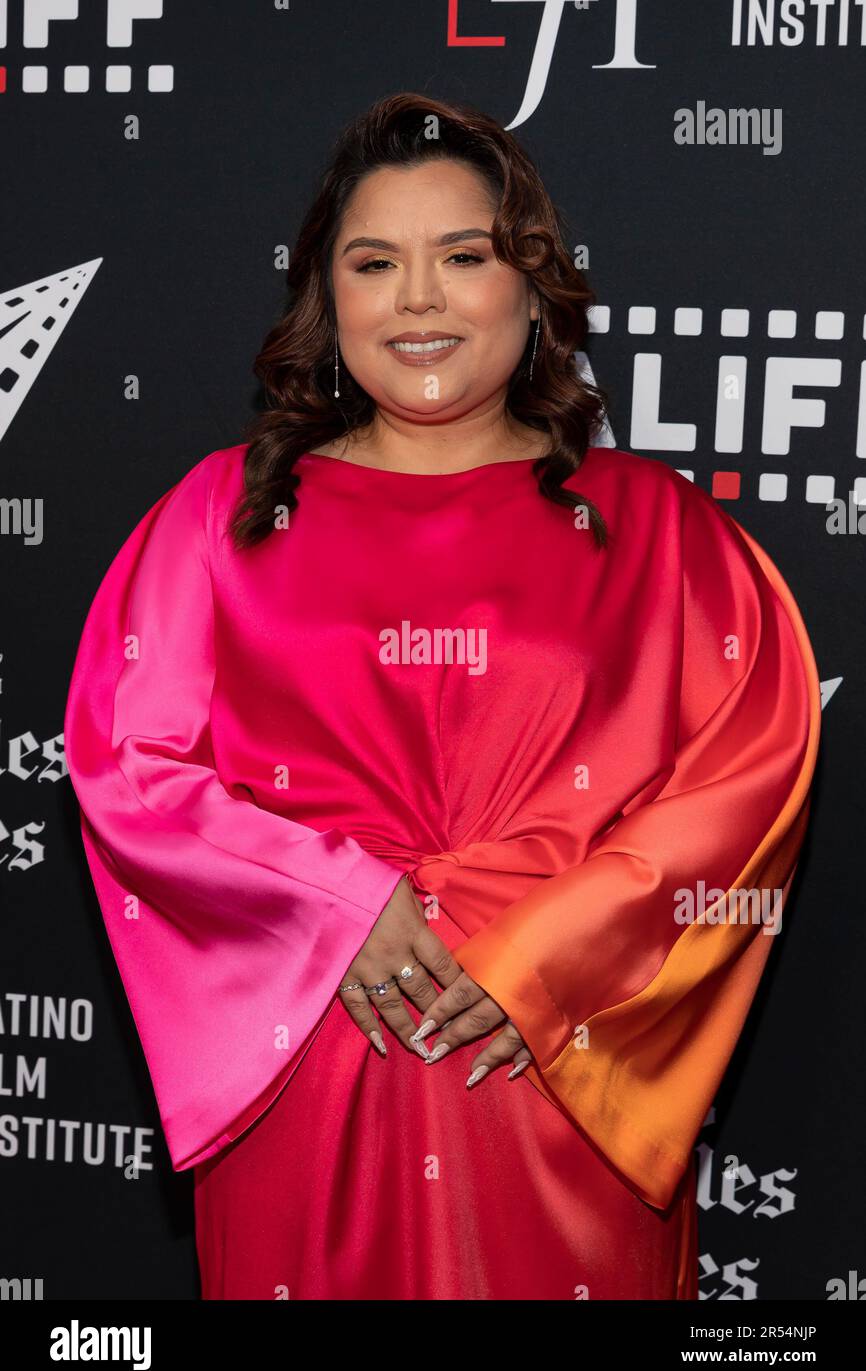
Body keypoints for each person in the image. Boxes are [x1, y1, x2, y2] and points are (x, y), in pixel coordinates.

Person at [63, 93, 821, 1300]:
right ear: (328, 301)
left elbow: (743, 779)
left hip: (554, 1085)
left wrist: (540, 957)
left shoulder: (661, 532)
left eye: (461, 257)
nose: (416, 299)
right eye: (374, 264)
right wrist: (335, 904)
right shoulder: (221, 517)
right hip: (307, 1068)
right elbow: (130, 766)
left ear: (529, 290)